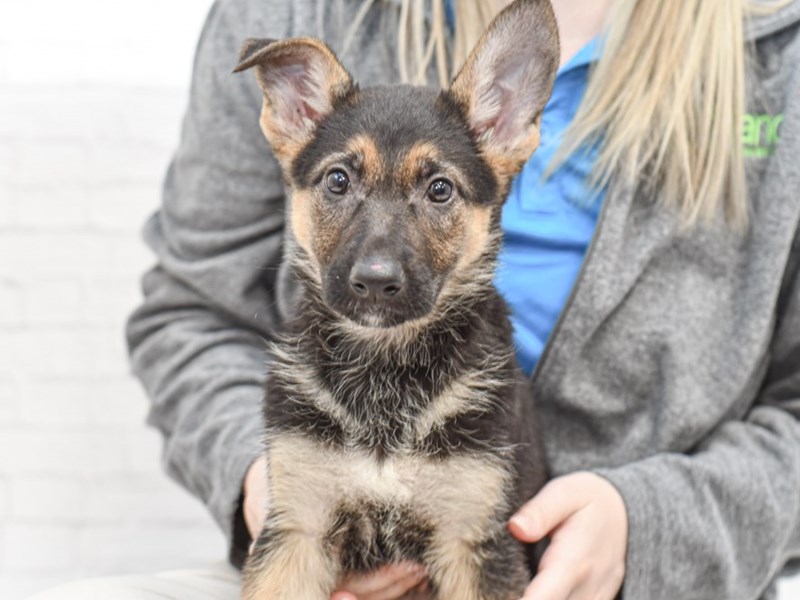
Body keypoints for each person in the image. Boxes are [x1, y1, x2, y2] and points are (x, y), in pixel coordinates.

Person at [30, 0, 800, 598]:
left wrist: (652, 525)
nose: (377, 263)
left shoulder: (778, 52)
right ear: (292, 118)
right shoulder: (298, 12)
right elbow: (190, 311)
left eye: (438, 192)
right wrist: (267, 488)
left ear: (508, 131)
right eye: (339, 183)